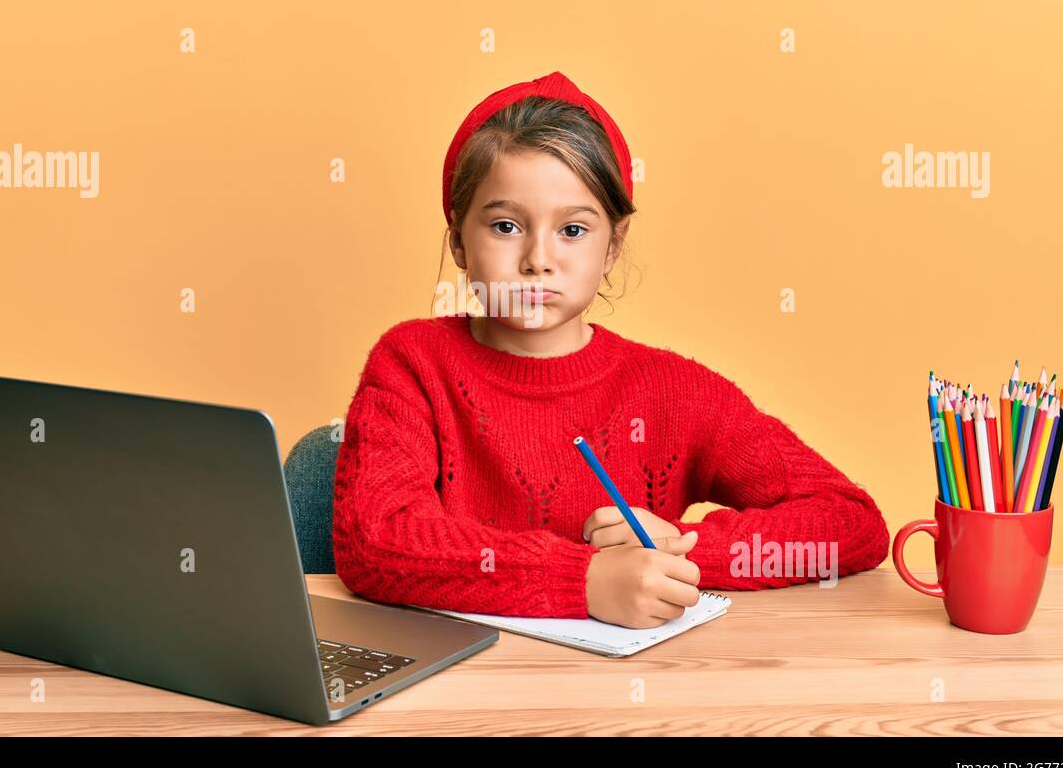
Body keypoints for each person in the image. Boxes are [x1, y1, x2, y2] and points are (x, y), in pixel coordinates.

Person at [331, 70, 888, 628]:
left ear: (613, 248)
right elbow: (375, 541)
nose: (537, 260)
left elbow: (852, 523)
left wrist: (680, 554)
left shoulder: (673, 391)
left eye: (572, 231)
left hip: (625, 698)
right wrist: (585, 579)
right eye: (505, 226)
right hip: (460, 695)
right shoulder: (412, 362)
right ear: (457, 237)